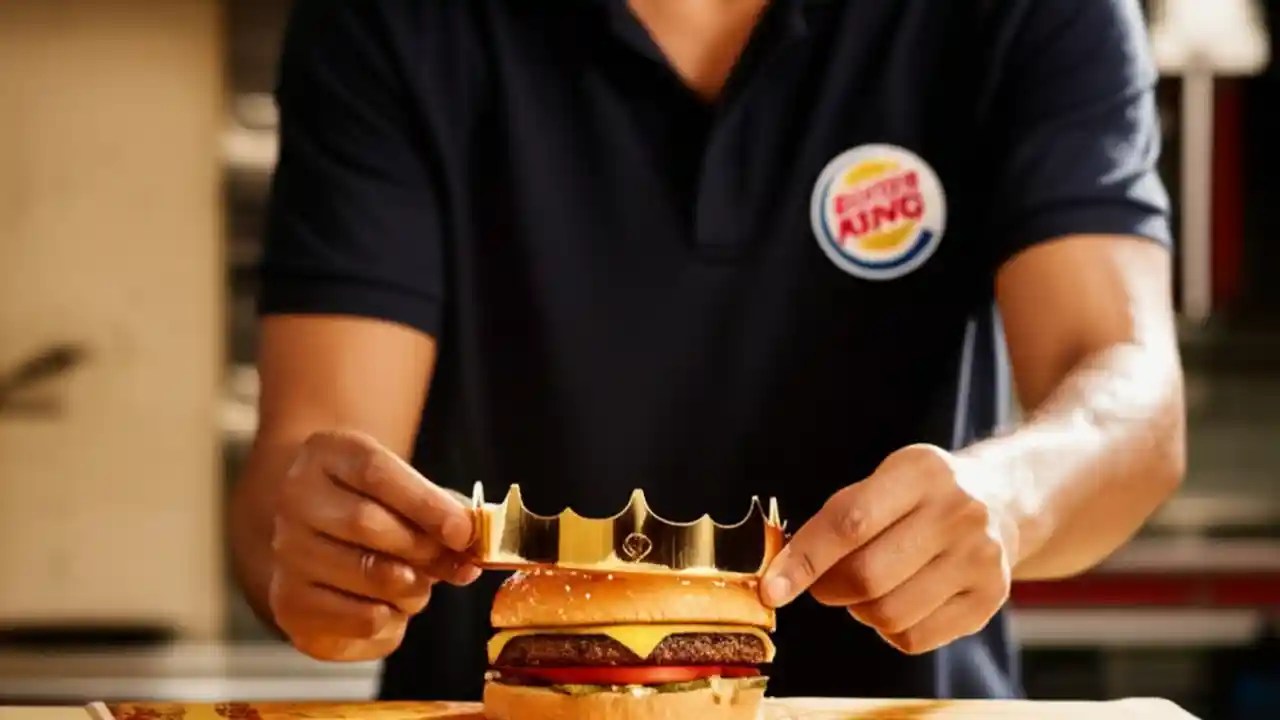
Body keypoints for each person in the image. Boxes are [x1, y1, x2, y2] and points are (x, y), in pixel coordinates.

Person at [229, 0, 1186, 702]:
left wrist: (1009, 498)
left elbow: (1130, 392)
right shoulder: (386, 21)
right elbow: (305, 456)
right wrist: (316, 555)